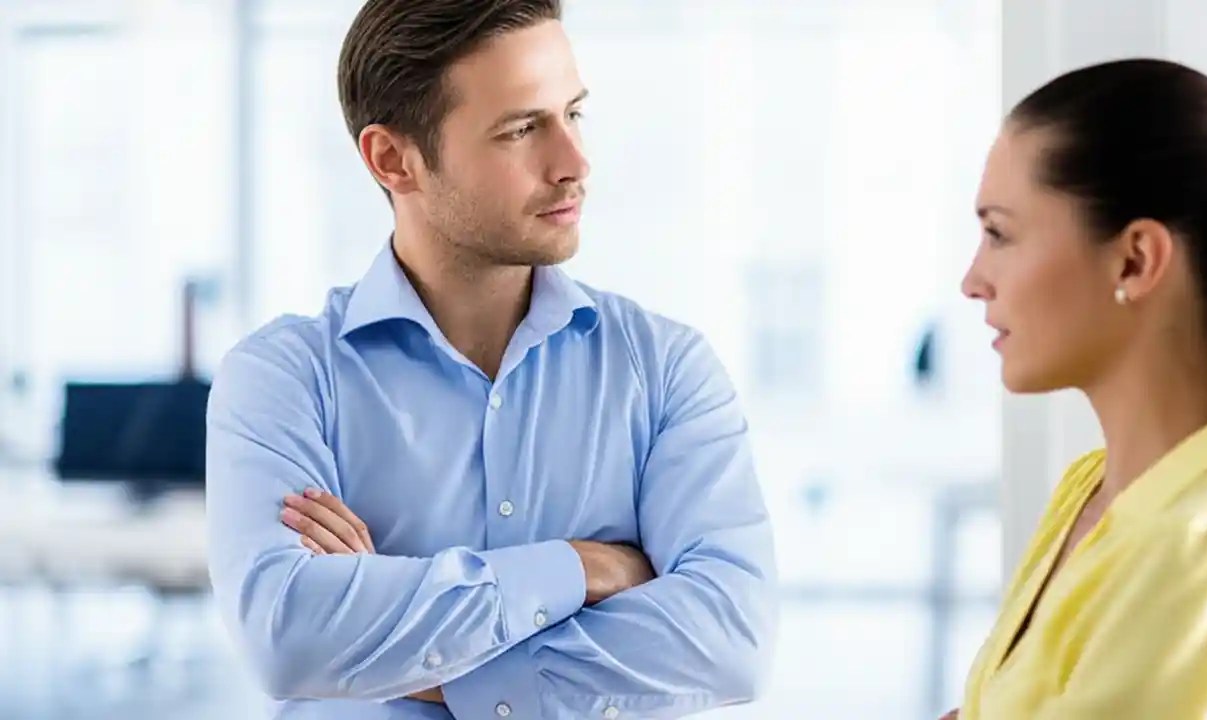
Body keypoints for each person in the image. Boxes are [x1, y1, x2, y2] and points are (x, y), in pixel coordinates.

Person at [203, 1, 777, 718]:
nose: (573, 163)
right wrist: (584, 566)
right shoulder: (283, 379)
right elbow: (290, 640)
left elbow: (729, 642)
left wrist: (389, 637)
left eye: (573, 114)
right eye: (522, 129)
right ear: (393, 159)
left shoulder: (663, 370)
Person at [940, 59, 1207, 719]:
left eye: (999, 234)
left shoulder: (1203, 541)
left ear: (1135, 260)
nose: (973, 279)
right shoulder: (1090, 490)